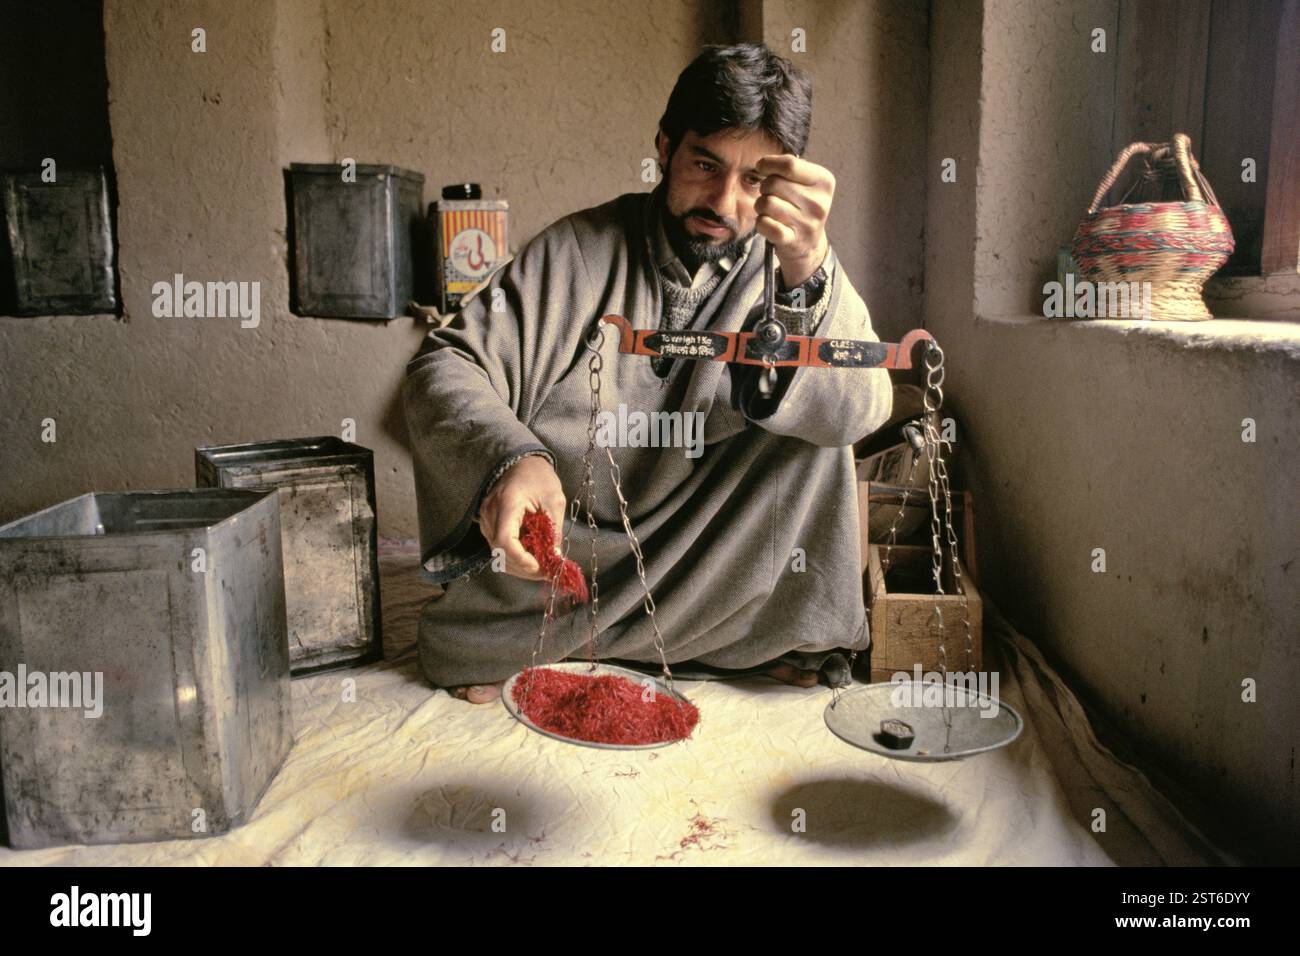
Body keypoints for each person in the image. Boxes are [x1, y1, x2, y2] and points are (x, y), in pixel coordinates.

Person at [403, 43, 893, 703]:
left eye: (753, 181)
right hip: (583, 552)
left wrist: (809, 262)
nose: (723, 201)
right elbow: (446, 361)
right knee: (494, 576)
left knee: (818, 428)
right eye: (703, 164)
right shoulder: (579, 251)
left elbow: (864, 408)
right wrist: (511, 459)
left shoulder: (790, 269)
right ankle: (681, 642)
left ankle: (760, 637)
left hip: (713, 553)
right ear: (664, 148)